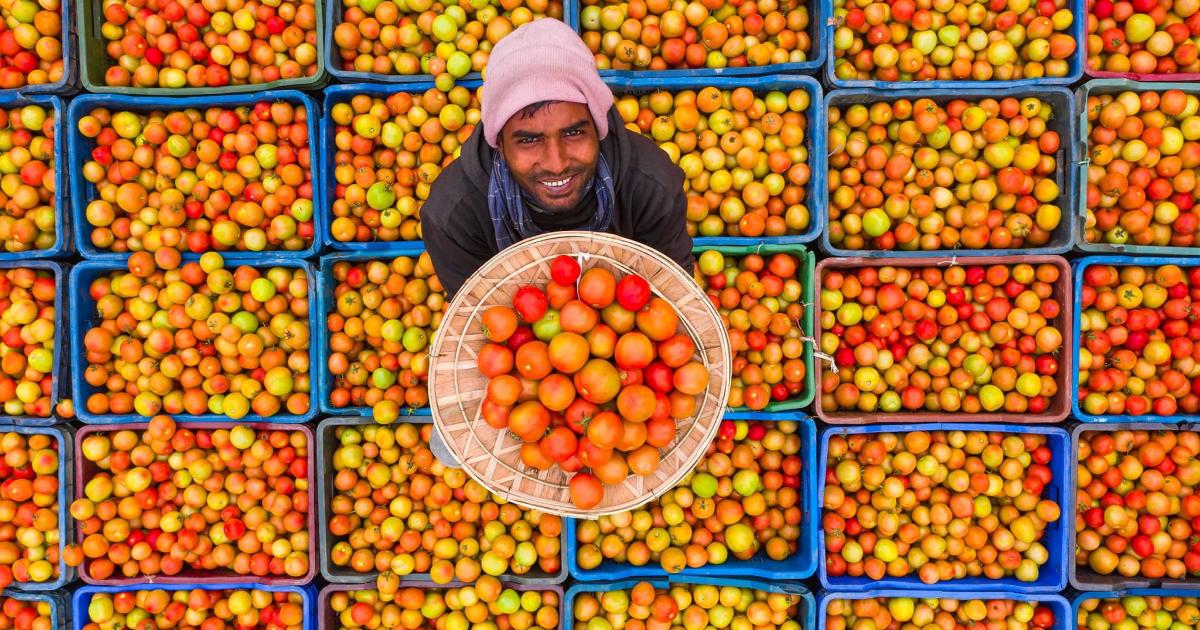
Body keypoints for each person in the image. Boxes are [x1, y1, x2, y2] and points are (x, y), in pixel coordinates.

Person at [421, 18, 693, 296]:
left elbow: (673, 304)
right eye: (528, 140)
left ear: (597, 127)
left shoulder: (650, 186)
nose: (557, 163)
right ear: (499, 144)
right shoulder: (455, 215)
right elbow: (478, 319)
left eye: (574, 133)